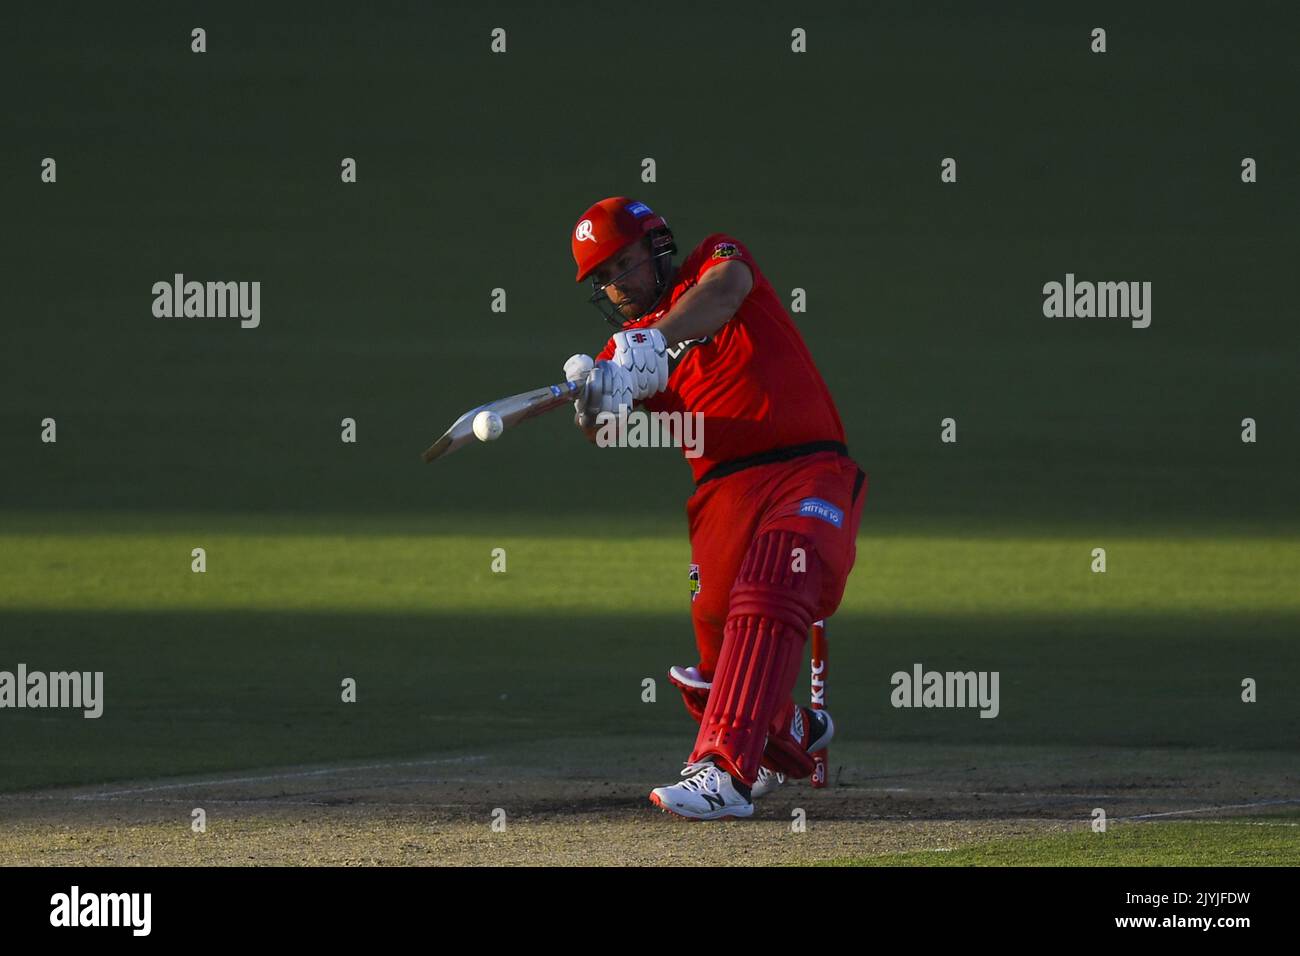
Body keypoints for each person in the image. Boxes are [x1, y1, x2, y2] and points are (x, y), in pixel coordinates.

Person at [564, 196, 867, 820]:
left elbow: (727, 291)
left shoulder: (715, 262)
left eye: (623, 264)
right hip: (721, 498)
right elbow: (602, 430)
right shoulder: (622, 351)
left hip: (806, 466)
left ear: (657, 245)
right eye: (603, 278)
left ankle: (724, 773)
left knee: (775, 582)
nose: (616, 285)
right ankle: (793, 729)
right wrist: (595, 399)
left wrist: (656, 338)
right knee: (711, 675)